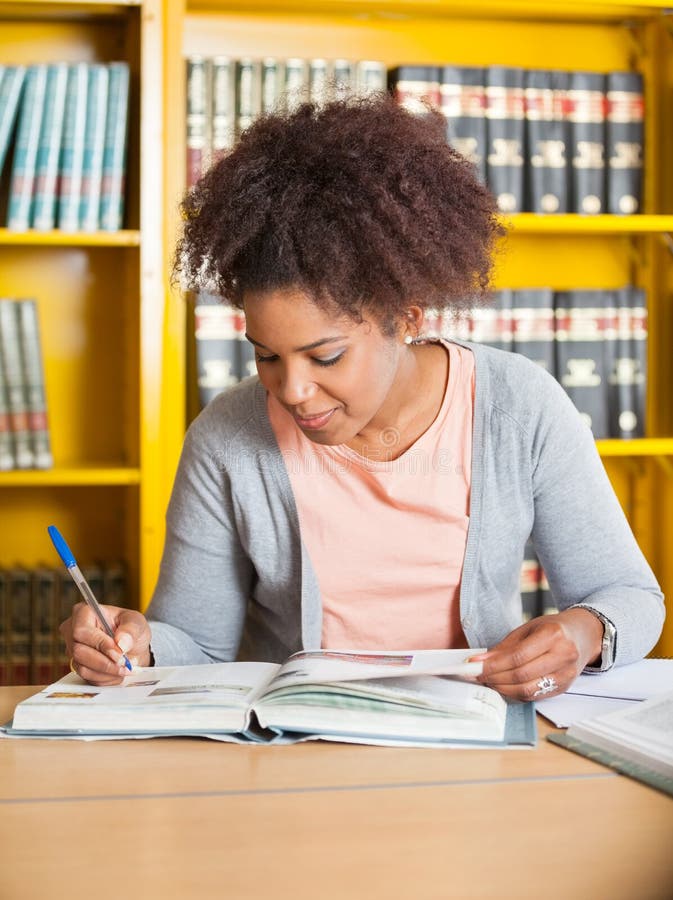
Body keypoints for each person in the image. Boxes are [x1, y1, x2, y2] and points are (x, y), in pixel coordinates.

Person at [61, 93, 665, 700]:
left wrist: (582, 631)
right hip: (296, 736)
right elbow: (196, 643)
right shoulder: (227, 436)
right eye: (266, 356)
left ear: (405, 319)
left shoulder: (519, 408)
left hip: (475, 732)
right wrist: (137, 644)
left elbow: (630, 597)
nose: (293, 391)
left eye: (326, 357)